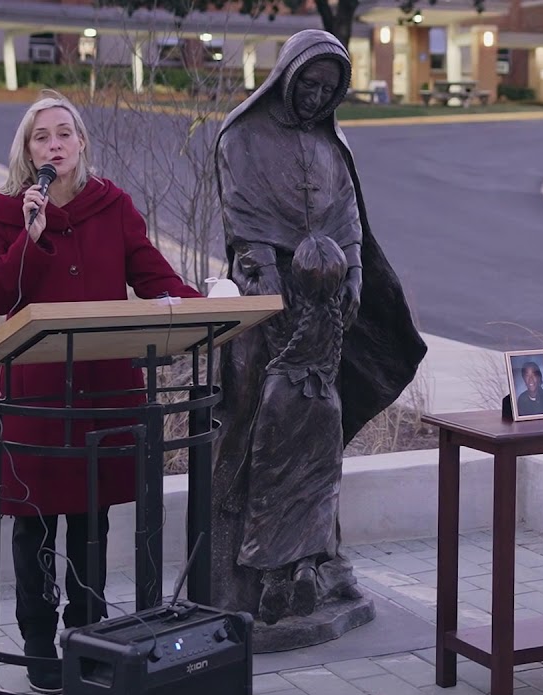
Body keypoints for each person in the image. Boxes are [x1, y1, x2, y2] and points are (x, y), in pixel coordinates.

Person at [0, 90, 202, 694]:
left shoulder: (112, 205)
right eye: (42, 137)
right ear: (27, 150)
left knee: (92, 519)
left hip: (103, 388)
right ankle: (40, 649)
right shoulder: (2, 213)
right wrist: (30, 236)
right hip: (38, 390)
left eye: (64, 134)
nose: (55, 145)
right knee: (35, 521)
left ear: (81, 143)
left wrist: (205, 305)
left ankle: (88, 640)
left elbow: (151, 272)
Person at [212, 29, 427, 627]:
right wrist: (273, 300)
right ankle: (246, 575)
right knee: (260, 424)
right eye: (308, 84)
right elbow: (246, 233)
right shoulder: (243, 136)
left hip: (329, 305)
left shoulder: (333, 149)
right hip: (266, 304)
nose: (314, 97)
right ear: (286, 76)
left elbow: (349, 226)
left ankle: (317, 560)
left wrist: (352, 281)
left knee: (319, 434)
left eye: (328, 90)